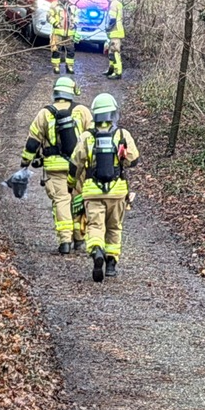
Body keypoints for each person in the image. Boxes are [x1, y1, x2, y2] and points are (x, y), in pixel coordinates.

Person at [69, 92, 139, 281]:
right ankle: (111, 265)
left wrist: (71, 183)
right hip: (117, 191)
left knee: (95, 225)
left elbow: (75, 163)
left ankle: (96, 251)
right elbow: (133, 160)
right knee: (114, 227)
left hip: (92, 192)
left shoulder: (86, 137)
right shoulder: (123, 135)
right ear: (113, 113)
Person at [20, 77, 93, 254]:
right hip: (78, 166)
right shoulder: (82, 111)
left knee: (61, 201)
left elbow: (32, 143)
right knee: (78, 199)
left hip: (54, 167)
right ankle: (79, 238)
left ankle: (65, 241)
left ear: (56, 92)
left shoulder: (44, 113)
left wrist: (24, 163)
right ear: (71, 92)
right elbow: (92, 137)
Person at [48, 0, 79, 74]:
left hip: (69, 33)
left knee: (71, 51)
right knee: (56, 50)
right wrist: (55, 23)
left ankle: (69, 66)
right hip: (57, 33)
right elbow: (49, 16)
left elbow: (77, 16)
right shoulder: (54, 5)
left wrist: (74, 23)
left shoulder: (72, 6)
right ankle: (56, 66)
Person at [103, 0, 124, 79]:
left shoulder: (113, 4)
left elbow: (112, 19)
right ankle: (111, 69)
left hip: (115, 32)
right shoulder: (116, 3)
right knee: (111, 53)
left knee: (115, 52)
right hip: (114, 32)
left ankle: (117, 72)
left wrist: (108, 28)